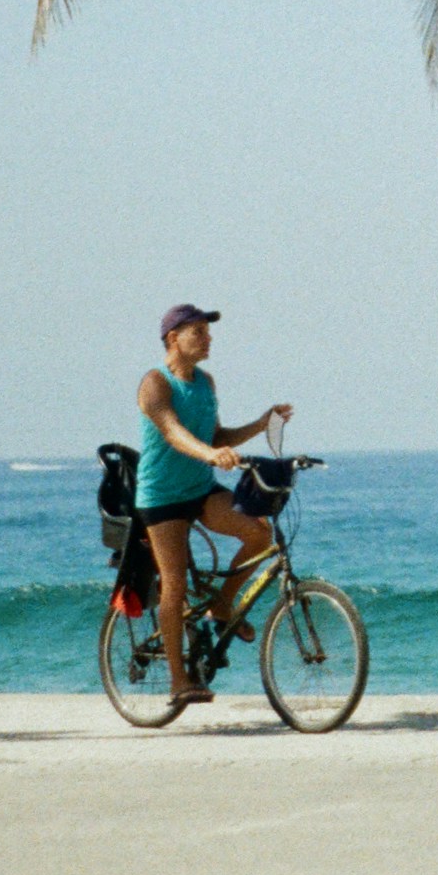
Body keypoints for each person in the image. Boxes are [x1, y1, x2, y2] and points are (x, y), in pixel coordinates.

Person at [135, 303, 291, 712]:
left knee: (259, 533)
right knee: (175, 585)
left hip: (200, 489)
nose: (208, 339)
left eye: (208, 332)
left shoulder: (206, 382)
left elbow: (216, 433)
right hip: (162, 498)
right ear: (174, 338)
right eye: (198, 332)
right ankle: (178, 681)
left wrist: (260, 424)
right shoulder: (155, 384)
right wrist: (210, 454)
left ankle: (223, 604)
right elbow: (173, 432)